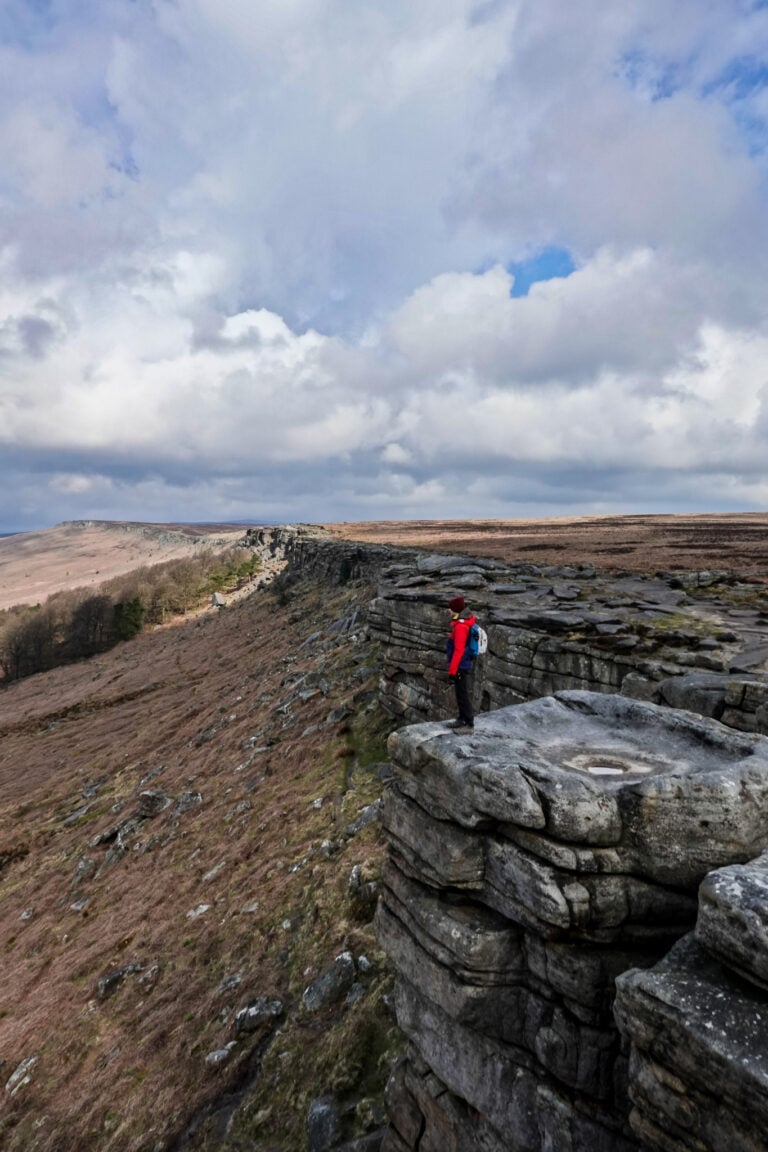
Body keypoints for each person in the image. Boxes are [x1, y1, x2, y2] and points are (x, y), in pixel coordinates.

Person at [445, 594, 476, 733]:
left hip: (460, 666)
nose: (448, 611)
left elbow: (458, 650)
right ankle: (462, 719)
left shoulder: (461, 627)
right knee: (459, 693)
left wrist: (452, 670)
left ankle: (468, 724)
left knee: (462, 694)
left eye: (450, 608)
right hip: (461, 664)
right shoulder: (461, 622)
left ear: (456, 610)